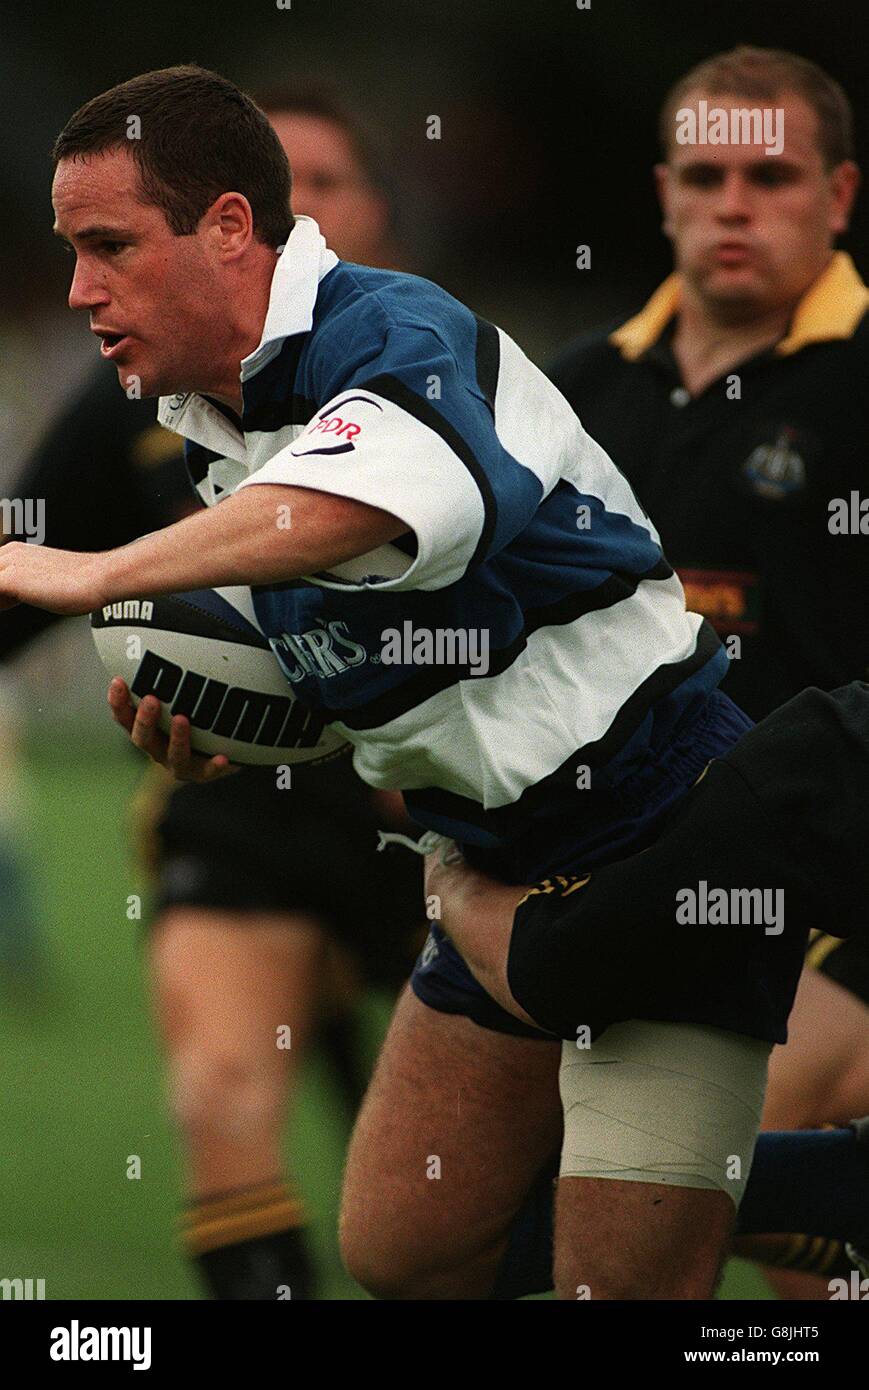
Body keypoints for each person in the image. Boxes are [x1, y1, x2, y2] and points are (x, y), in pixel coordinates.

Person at [5, 62, 803, 1301]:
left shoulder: (389, 333)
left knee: (618, 1285)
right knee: (405, 1248)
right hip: (482, 854)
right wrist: (245, 728)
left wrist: (91, 573)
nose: (78, 291)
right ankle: (700, 1188)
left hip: (661, 823)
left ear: (228, 229)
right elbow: (400, 647)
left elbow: (344, 507)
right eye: (69, 251)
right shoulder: (211, 415)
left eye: (108, 244)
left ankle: (787, 1187)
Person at [2, 83, 424, 1301]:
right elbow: (21, 561)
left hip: (429, 826)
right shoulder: (142, 389)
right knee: (220, 1095)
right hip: (239, 819)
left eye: (323, 181)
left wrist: (107, 574)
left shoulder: (429, 371)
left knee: (431, 1216)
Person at [548, 44, 869, 1297]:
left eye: (771, 175)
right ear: (661, 189)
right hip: (621, 887)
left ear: (838, 195)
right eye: (705, 173)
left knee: (679, 1185)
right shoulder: (565, 398)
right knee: (428, 1231)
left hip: (840, 897)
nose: (733, 203)